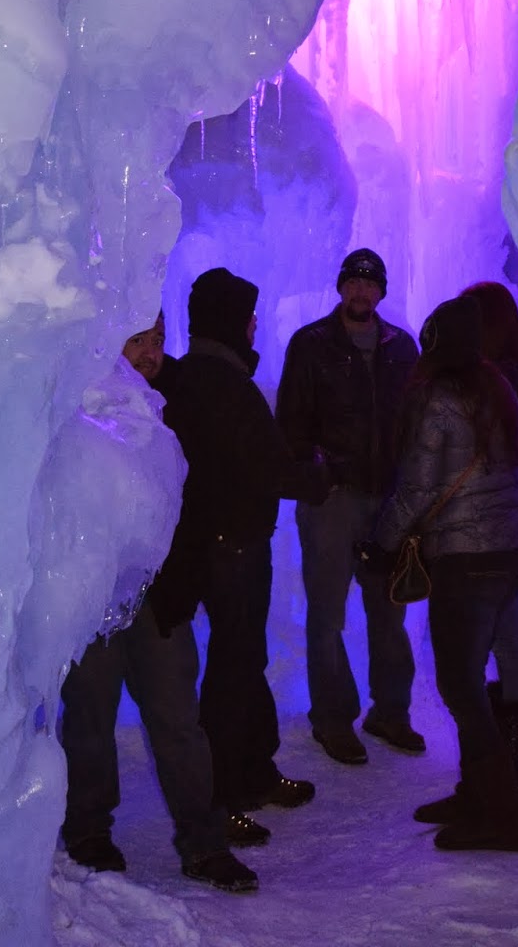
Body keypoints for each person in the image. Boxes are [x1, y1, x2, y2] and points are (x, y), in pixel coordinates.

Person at [59, 318, 258, 894]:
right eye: (137, 341)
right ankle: (89, 830)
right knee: (90, 718)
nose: (149, 353)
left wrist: (188, 578)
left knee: (178, 721)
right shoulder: (81, 404)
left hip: (159, 596)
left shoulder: (175, 403)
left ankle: (204, 841)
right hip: (94, 596)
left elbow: (200, 499)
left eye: (156, 341)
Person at [158, 267, 326, 845]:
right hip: (232, 548)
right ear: (231, 320)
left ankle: (254, 770)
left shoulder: (192, 375)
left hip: (215, 543)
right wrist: (323, 476)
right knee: (233, 673)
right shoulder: (222, 383)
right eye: (249, 316)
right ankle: (225, 791)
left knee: (243, 666)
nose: (256, 325)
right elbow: (267, 467)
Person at [372, 291, 518, 853]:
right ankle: (476, 795)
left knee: (460, 686)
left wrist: (381, 543)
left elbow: (418, 486)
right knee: (468, 678)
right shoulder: (497, 385)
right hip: (508, 552)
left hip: (467, 558)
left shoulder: (441, 396)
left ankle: (501, 818)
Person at [276, 247, 422, 765]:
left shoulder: (402, 348)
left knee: (388, 610)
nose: (362, 291)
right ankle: (333, 718)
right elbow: (290, 422)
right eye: (354, 282)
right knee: (327, 613)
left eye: (371, 284)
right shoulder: (311, 344)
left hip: (387, 500)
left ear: (382, 291)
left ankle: (391, 711)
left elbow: (415, 423)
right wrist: (318, 479)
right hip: (334, 499)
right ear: (341, 287)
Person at [464, 282, 518, 793]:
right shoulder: (516, 372)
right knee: (504, 633)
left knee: (502, 634)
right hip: (508, 520)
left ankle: (512, 750)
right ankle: (517, 747)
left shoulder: (500, 377)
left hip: (491, 523)